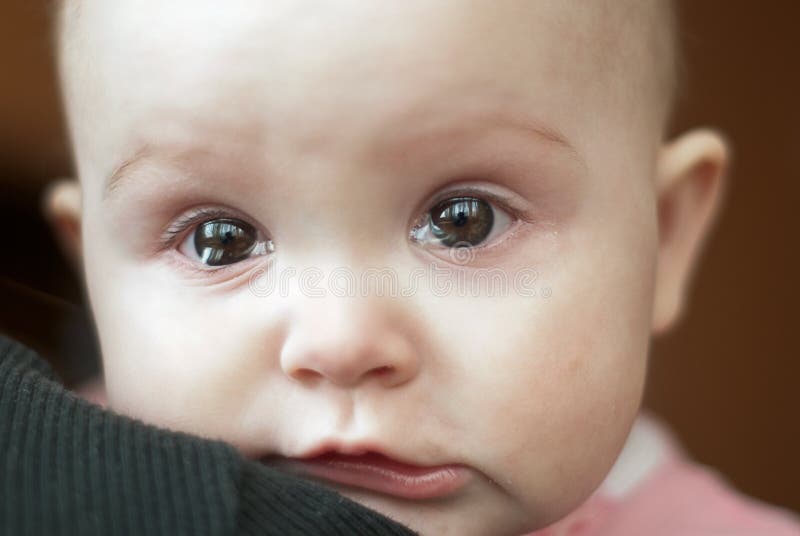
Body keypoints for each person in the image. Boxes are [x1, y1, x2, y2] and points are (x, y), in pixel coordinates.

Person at [37, 0, 800, 534]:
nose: (340, 343)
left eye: (463, 222)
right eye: (219, 241)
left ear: (662, 239)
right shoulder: (52, 490)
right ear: (94, 272)